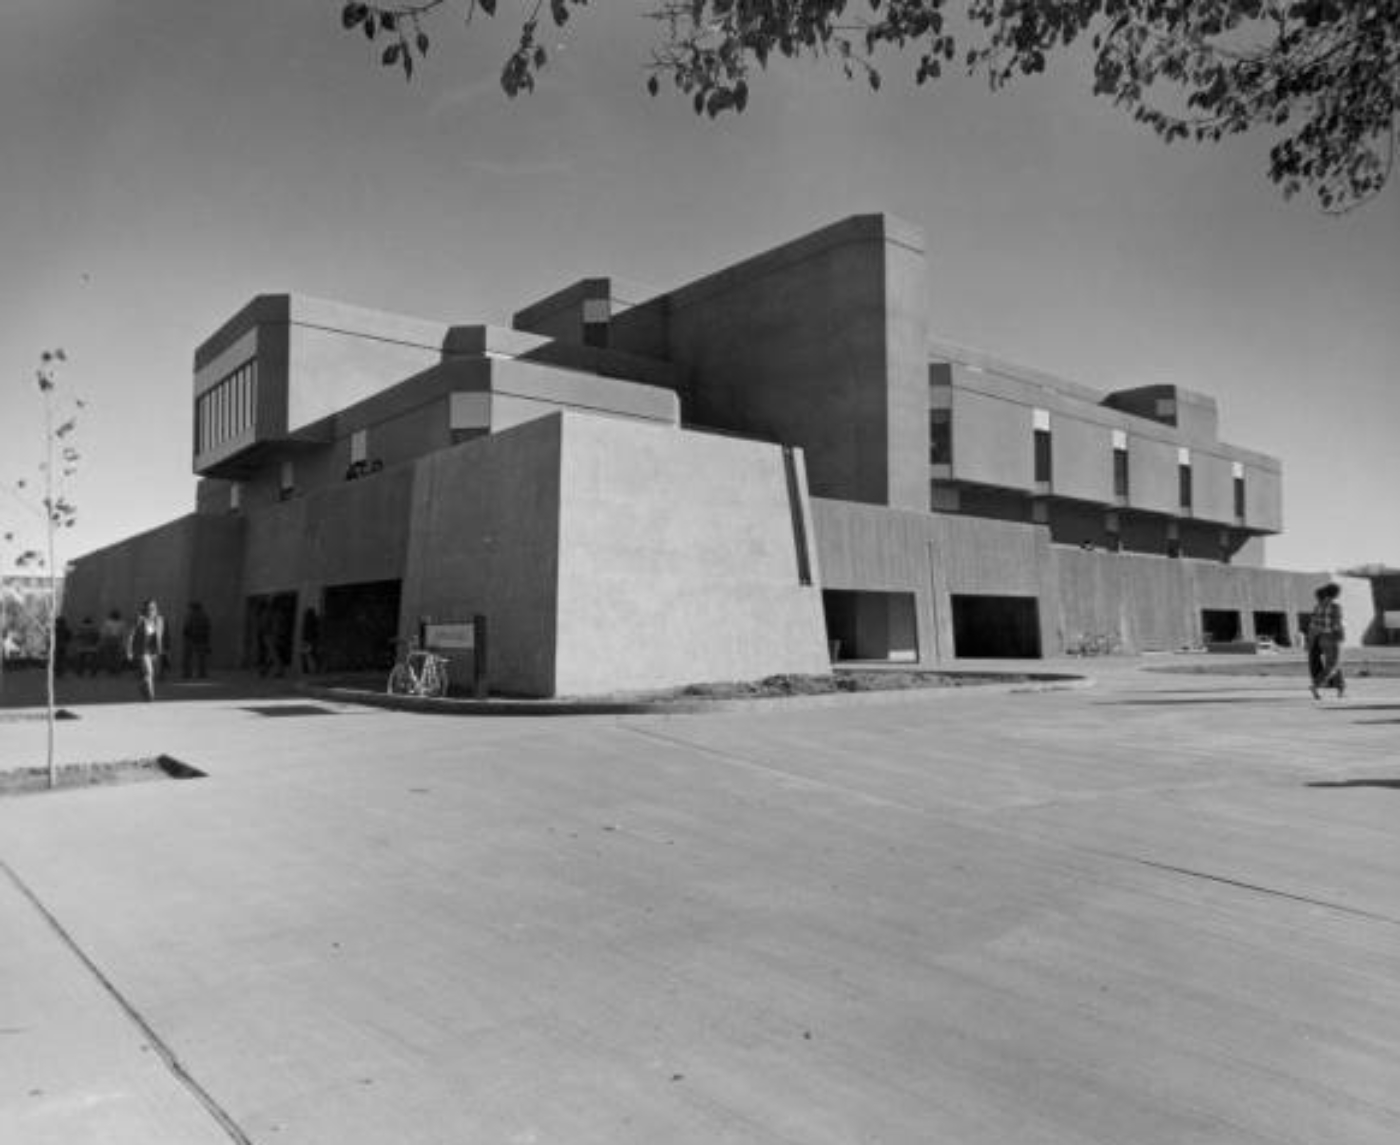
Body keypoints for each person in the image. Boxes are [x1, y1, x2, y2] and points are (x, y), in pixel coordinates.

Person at [1307, 582, 1345, 699]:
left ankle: (1340, 690)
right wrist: (1341, 635)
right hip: (1333, 637)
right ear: (1336, 594)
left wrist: (1311, 641)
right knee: (1332, 665)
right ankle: (1315, 685)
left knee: (1336, 664)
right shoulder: (1335, 607)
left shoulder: (1318, 607)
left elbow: (1313, 625)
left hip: (1322, 638)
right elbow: (1337, 624)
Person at [126, 599, 166, 702]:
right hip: (142, 649)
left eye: (153, 608)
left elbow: (161, 636)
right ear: (144, 609)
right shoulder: (139, 619)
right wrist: (129, 650)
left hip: (154, 649)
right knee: (149, 672)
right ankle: (150, 696)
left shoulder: (159, 620)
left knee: (153, 674)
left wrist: (161, 650)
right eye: (149, 608)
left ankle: (143, 688)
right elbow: (130, 635)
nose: (151, 610)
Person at [182, 601, 212, 679]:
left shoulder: (190, 616)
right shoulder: (205, 616)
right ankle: (202, 673)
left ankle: (187, 673)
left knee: (188, 658)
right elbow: (208, 628)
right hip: (202, 639)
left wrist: (186, 638)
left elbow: (186, 628)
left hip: (191, 639)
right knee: (202, 658)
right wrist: (207, 641)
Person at [99, 609, 125, 674]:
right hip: (117, 640)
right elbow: (123, 634)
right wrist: (122, 643)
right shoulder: (121, 623)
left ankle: (111, 670)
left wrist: (102, 641)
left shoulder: (107, 622)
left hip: (109, 640)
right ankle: (117, 670)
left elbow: (103, 633)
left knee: (109, 656)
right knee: (117, 656)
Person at [299, 606, 321, 675]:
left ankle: (306, 670)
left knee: (306, 656)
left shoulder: (306, 622)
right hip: (311, 640)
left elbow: (304, 633)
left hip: (307, 641)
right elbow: (317, 631)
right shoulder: (315, 621)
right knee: (312, 655)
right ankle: (313, 670)